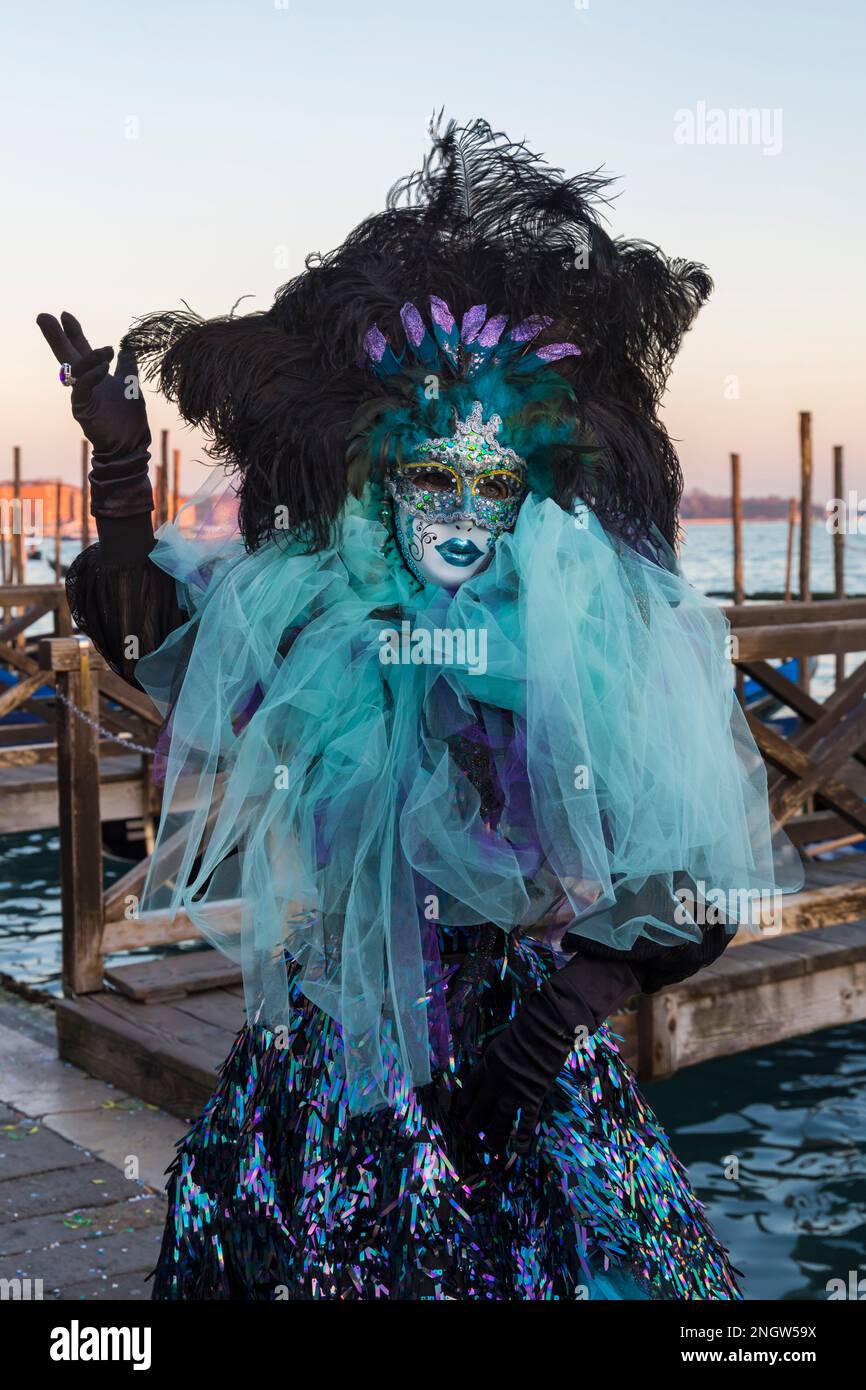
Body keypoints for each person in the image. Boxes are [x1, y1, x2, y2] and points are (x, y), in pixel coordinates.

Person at [37, 118, 798, 1300]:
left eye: (490, 480)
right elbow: (153, 638)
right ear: (378, 479)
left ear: (527, 491)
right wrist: (123, 479)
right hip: (330, 1052)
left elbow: (696, 878)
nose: (460, 506)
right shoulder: (315, 615)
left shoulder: (581, 640)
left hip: (520, 1063)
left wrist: (548, 1030)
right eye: (429, 475)